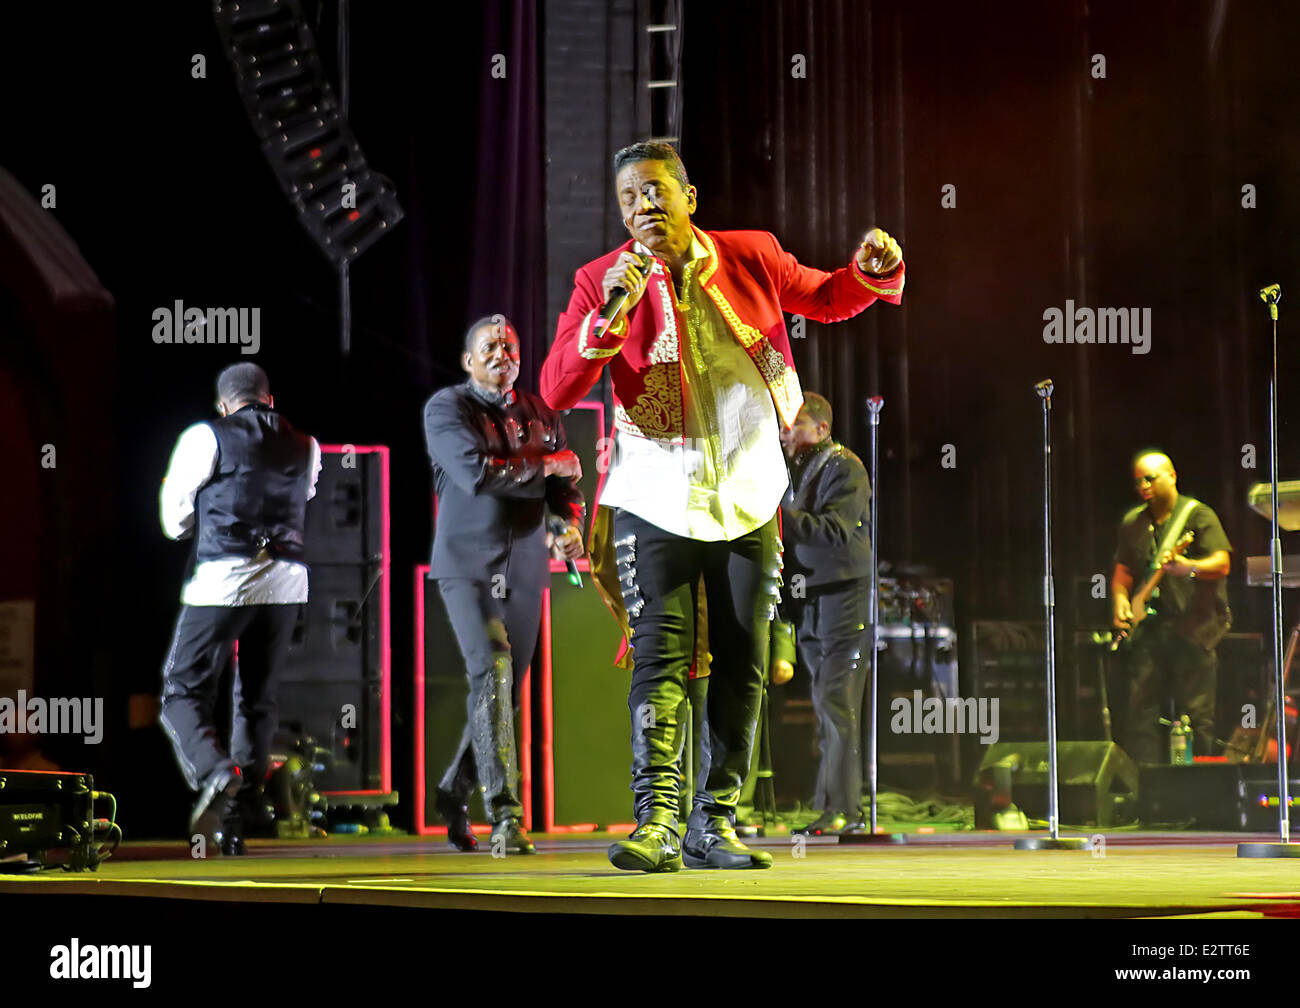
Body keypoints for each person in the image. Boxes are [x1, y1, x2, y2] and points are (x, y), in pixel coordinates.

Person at [541, 140, 904, 872]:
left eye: (654, 191)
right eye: (627, 198)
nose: (642, 205)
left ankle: (717, 822)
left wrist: (871, 270)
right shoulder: (599, 281)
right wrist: (611, 310)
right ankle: (657, 823)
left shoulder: (751, 256)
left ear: (688, 198)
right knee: (660, 660)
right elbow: (556, 388)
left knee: (741, 663)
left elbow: (827, 296)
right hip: (653, 496)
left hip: (747, 492)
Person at [424, 315, 585, 854]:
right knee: (492, 669)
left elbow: (564, 494)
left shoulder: (542, 412)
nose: (502, 352)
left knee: (504, 691)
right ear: (468, 361)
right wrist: (552, 465)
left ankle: (454, 790)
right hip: (467, 565)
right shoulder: (448, 408)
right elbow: (477, 473)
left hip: (523, 571)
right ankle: (506, 817)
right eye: (489, 346)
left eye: (511, 345)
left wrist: (567, 528)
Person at [159, 363, 321, 855]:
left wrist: (205, 525)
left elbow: (173, 518)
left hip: (224, 579)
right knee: (256, 699)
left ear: (225, 406)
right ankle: (237, 821)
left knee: (180, 689)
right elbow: (304, 495)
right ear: (270, 400)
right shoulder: (307, 444)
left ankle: (214, 773)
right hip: (286, 582)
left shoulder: (205, 435)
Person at [778, 393, 873, 836]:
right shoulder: (794, 469)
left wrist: (780, 520)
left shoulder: (845, 467)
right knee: (824, 702)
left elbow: (835, 531)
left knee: (837, 701)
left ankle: (845, 808)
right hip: (811, 597)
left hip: (844, 595)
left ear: (820, 429)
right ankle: (831, 805)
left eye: (794, 424)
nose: (785, 432)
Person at [1111, 451, 1231, 764]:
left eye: (1150, 478)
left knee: (1196, 712)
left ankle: (1199, 791)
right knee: (1141, 711)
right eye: (1138, 481)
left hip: (1195, 627)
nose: (1143, 486)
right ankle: (1146, 788)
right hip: (1150, 629)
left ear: (1171, 475)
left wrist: (1188, 567)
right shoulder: (1133, 522)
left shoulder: (1197, 515)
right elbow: (1123, 571)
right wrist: (1121, 601)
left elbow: (1222, 563)